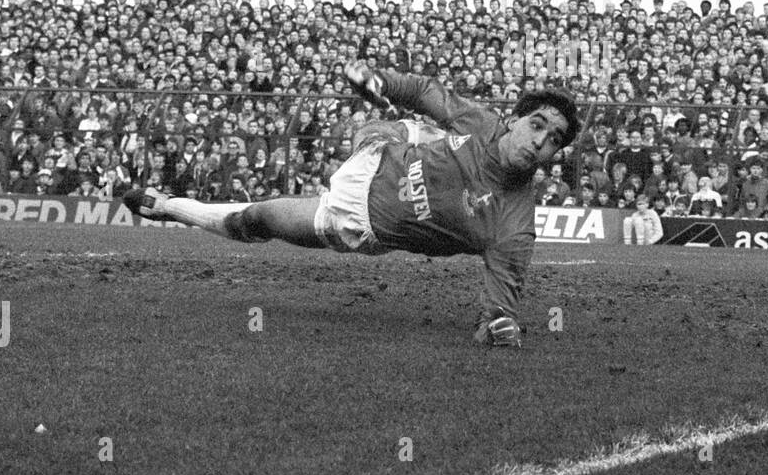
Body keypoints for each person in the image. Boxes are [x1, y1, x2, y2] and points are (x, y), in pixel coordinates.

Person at [124, 64, 580, 348]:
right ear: (517, 119)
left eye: (553, 140)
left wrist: (499, 328)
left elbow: (500, 309)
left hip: (357, 219)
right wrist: (380, 80)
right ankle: (383, 115)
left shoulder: (514, 226)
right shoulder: (485, 124)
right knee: (405, 128)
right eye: (536, 124)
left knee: (258, 219)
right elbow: (425, 91)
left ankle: (169, 207)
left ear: (554, 155)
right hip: (381, 149)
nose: (539, 141)